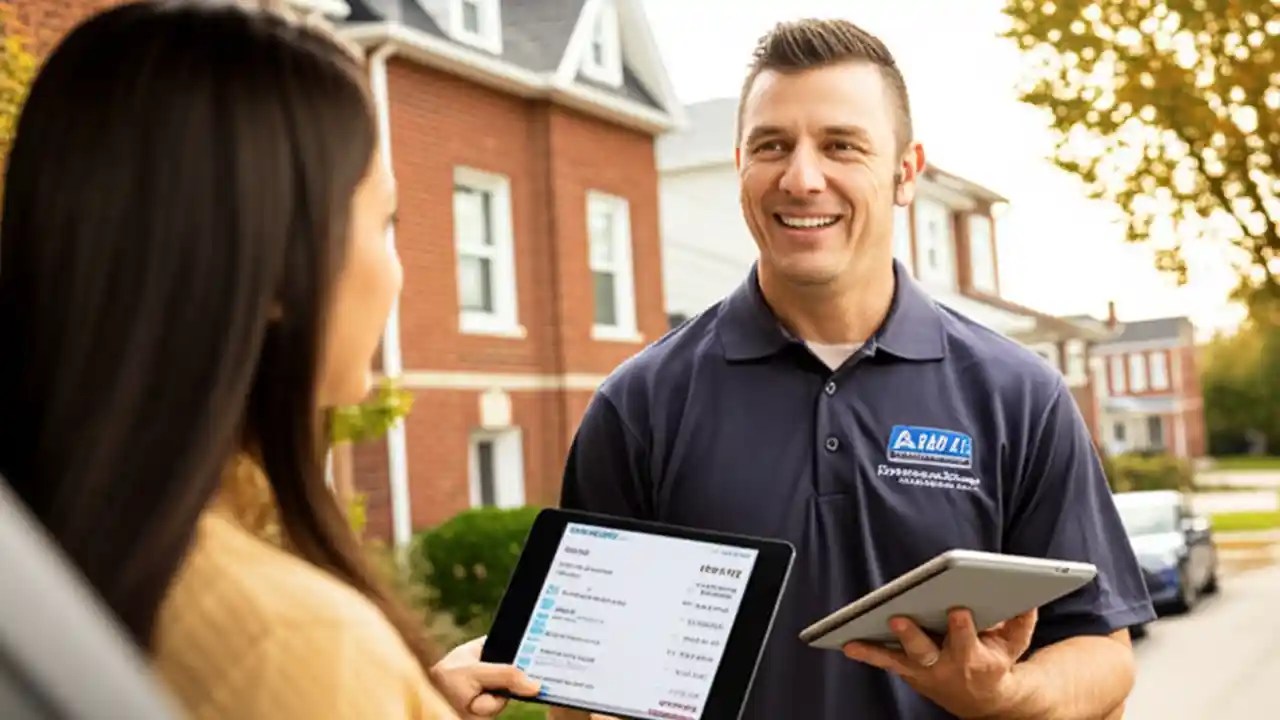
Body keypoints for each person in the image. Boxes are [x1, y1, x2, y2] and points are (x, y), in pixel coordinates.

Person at [554, 18, 1156, 720]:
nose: (802, 178)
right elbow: (584, 689)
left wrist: (1005, 694)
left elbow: (1101, 651)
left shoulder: (1019, 398)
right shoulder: (640, 407)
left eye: (842, 146)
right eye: (771, 146)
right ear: (740, 164)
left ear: (905, 172)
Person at [0, 2, 536, 718]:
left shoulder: (48, 543)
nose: (400, 271)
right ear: (282, 267)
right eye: (385, 221)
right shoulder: (299, 643)